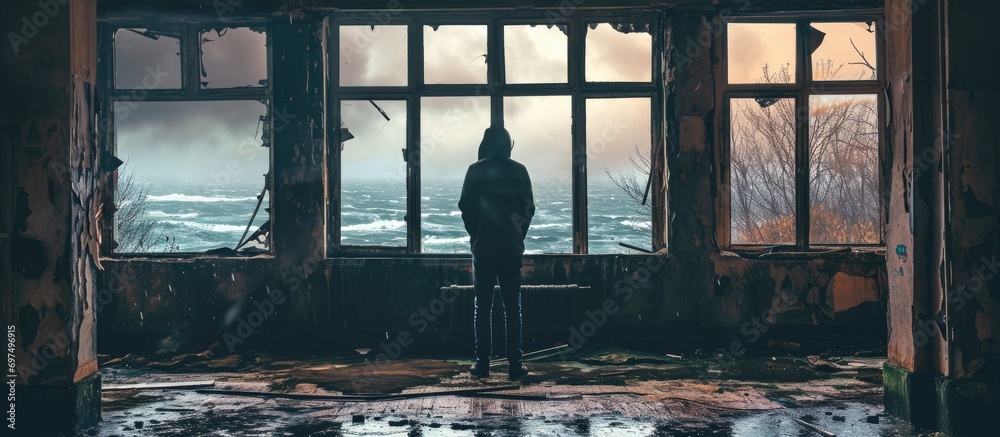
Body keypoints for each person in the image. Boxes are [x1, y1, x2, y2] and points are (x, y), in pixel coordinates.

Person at [458, 125, 535, 379]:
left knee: (483, 307)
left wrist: (476, 234)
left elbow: (465, 207)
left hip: (484, 249)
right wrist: (516, 235)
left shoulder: (474, 170)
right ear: (508, 144)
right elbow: (528, 209)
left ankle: (482, 364)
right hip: (511, 249)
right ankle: (515, 365)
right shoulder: (520, 170)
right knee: (513, 308)